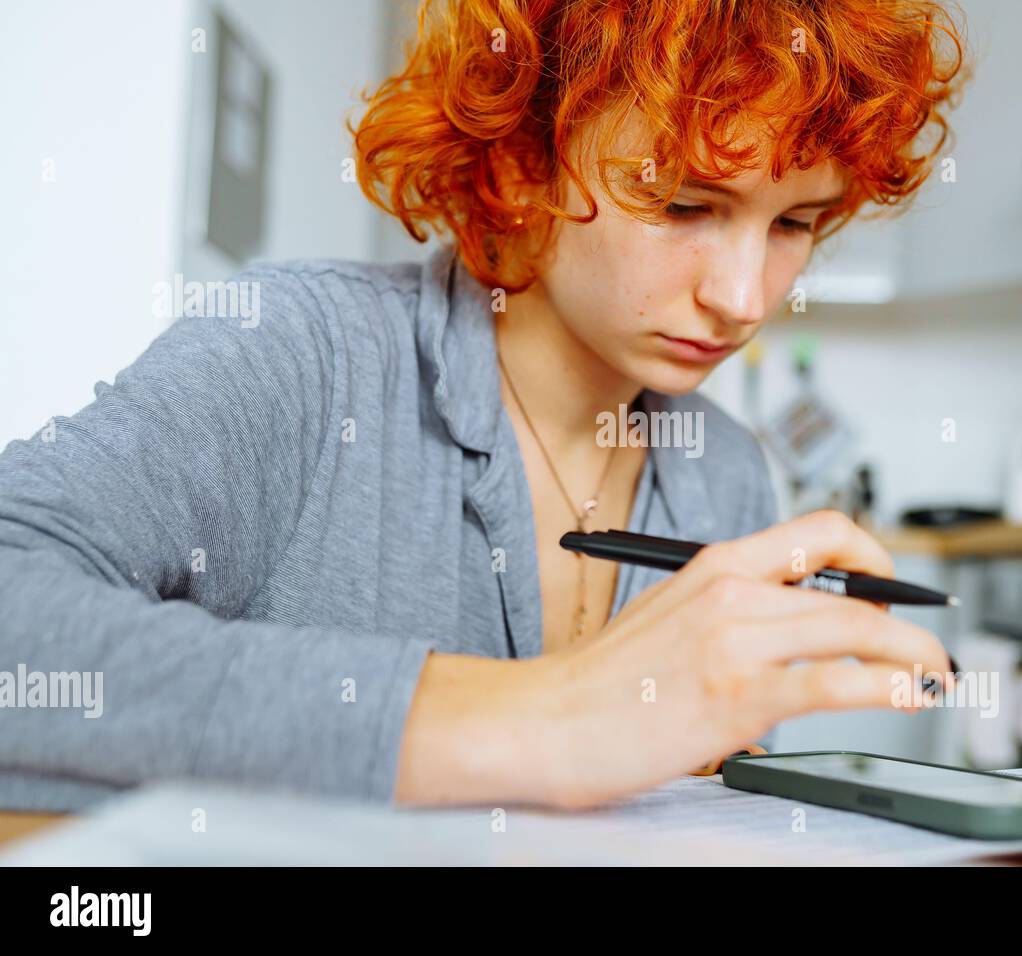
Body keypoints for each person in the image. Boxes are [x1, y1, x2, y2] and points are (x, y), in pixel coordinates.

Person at [0, 0, 964, 811]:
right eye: (683, 204)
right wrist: (548, 717)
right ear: (520, 167)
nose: (745, 298)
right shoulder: (300, 350)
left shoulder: (730, 477)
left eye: (794, 223)